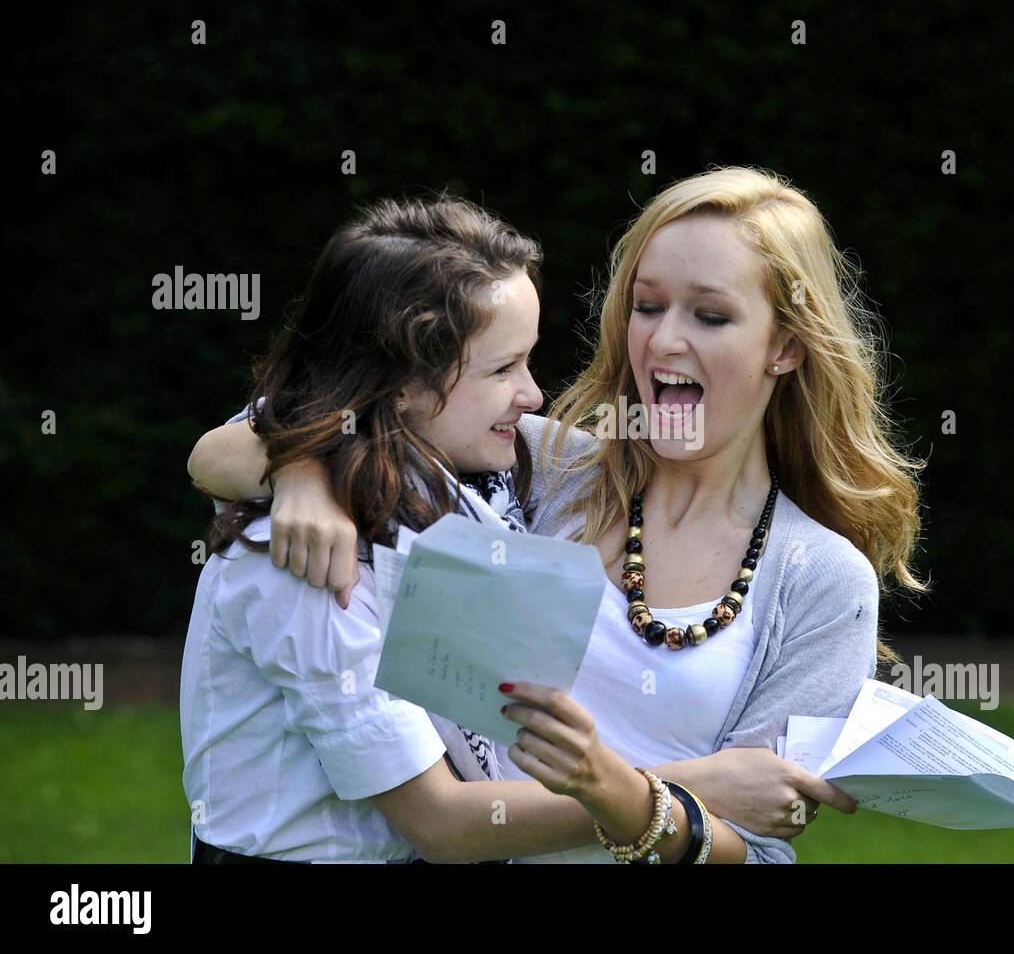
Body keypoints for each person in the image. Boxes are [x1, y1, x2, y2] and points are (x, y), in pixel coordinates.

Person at [189, 167, 927, 862]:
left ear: (787, 346)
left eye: (709, 315)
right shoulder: (543, 466)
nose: (664, 340)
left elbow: (757, 845)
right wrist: (304, 475)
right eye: (646, 306)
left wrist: (629, 793)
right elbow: (278, 427)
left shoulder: (825, 580)